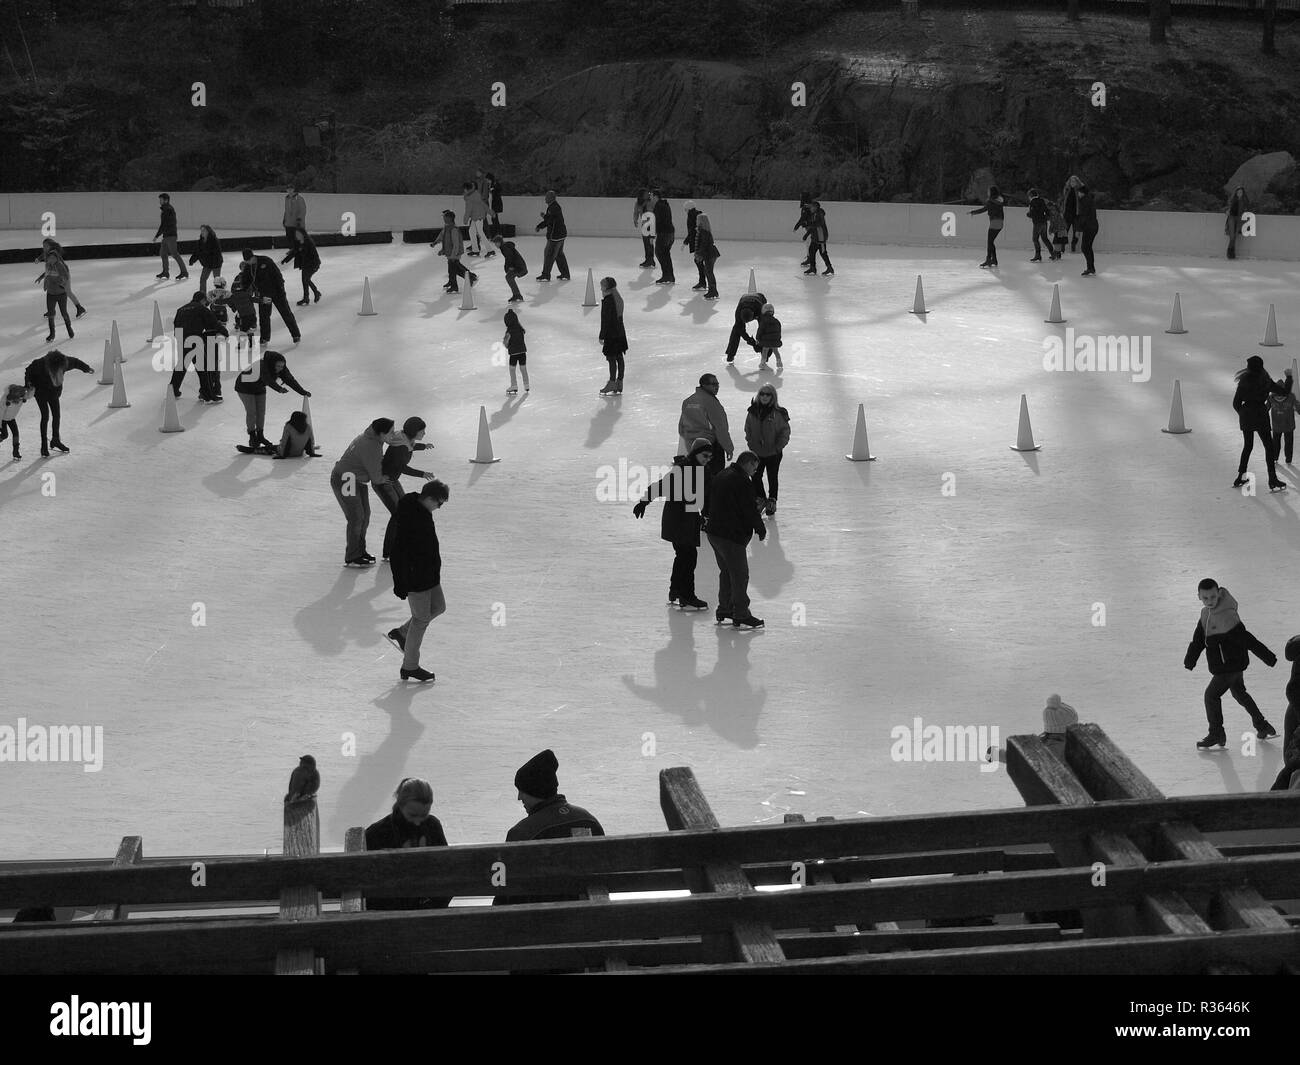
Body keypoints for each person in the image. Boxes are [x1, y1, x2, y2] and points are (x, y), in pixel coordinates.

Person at [494, 749, 604, 907]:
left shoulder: (522, 834)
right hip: (586, 921)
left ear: (534, 791)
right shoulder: (589, 821)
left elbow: (503, 892)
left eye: (522, 791)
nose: (519, 797)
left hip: (538, 924)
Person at [1184, 579, 1278, 748]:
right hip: (1228, 666)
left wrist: (1267, 656)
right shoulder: (1205, 614)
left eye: (1213, 596)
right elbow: (1198, 639)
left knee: (1211, 696)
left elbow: (1247, 639)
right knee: (1240, 694)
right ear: (1199, 597)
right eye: (1205, 598)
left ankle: (1216, 733)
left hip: (1229, 667)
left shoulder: (1227, 615)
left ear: (1219, 593)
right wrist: (1190, 659)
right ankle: (1262, 725)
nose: (1210, 601)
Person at [633, 437, 715, 610]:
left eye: (710, 457)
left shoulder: (702, 470)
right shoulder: (683, 470)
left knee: (683, 556)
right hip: (679, 519)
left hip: (687, 518)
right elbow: (662, 486)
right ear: (696, 453)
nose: (708, 459)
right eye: (705, 455)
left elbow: (706, 494)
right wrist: (644, 501)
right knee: (689, 557)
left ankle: (676, 590)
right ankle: (687, 596)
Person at [387, 479, 450, 683]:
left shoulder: (422, 510)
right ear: (429, 498)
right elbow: (397, 552)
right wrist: (400, 582)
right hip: (415, 578)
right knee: (421, 619)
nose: (439, 507)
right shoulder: (410, 517)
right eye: (439, 503)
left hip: (430, 575)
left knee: (439, 607)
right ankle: (410, 666)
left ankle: (403, 632)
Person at [363, 778, 452, 909]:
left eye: (424, 815)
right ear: (400, 805)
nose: (418, 822)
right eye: (412, 815)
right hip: (389, 911)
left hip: (427, 910)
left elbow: (447, 871)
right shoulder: (377, 833)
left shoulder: (433, 826)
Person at [704, 452, 767, 629]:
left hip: (714, 534)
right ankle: (741, 613)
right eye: (754, 467)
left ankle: (725, 608)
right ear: (746, 463)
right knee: (740, 575)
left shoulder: (722, 474)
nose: (755, 471)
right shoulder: (742, 481)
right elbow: (749, 509)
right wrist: (760, 528)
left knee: (726, 571)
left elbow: (707, 500)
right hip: (730, 536)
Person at [329, 417, 396, 567]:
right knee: (357, 517)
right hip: (346, 479)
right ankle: (352, 556)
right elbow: (376, 477)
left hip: (355, 479)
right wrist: (383, 478)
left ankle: (360, 551)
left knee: (365, 515)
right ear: (380, 434)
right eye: (391, 432)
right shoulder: (370, 446)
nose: (394, 434)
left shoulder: (373, 439)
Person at [376, 417, 433, 560]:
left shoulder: (405, 439)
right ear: (414, 432)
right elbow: (401, 467)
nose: (424, 433)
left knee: (404, 510)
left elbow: (412, 446)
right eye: (422, 431)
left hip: (392, 480)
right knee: (398, 514)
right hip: (384, 482)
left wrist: (424, 446)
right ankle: (389, 552)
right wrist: (422, 474)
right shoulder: (401, 446)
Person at [1233, 357, 1292, 491]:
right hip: (1260, 415)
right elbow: (1284, 392)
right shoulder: (1265, 380)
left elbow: (1235, 403)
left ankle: (1240, 477)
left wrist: (1243, 413)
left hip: (1247, 416)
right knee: (1269, 447)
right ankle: (1272, 479)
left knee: (1248, 446)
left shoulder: (1243, 381)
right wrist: (1288, 377)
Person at [235, 349, 310, 453]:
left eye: (282, 366)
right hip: (244, 386)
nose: (280, 369)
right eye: (278, 366)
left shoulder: (281, 368)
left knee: (261, 412)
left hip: (259, 387)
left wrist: (302, 392)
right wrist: (279, 389)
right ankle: (252, 436)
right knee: (252, 412)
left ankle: (260, 435)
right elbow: (267, 380)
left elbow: (290, 380)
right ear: (272, 364)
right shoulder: (261, 365)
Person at [24, 349, 93, 457]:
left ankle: (55, 440)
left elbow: (75, 362)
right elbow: (28, 371)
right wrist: (28, 384)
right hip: (41, 393)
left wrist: (86, 368)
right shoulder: (39, 364)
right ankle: (44, 446)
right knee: (45, 417)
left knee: (56, 415)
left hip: (53, 393)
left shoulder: (63, 362)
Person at [172, 289, 228, 402]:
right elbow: (213, 322)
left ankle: (172, 390)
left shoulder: (181, 309)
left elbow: (176, 325)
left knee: (181, 366)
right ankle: (208, 396)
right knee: (204, 368)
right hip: (194, 340)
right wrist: (225, 332)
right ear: (202, 300)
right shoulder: (201, 308)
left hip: (182, 339)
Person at [744, 382, 791, 516]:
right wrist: (751, 444)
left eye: (768, 394)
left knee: (772, 476)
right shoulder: (752, 411)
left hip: (773, 453)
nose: (764, 397)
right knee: (755, 476)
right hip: (756, 452)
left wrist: (778, 447)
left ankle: (772, 501)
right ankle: (761, 498)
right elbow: (748, 428)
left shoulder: (779, 413)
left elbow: (785, 431)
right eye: (762, 394)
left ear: (773, 397)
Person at [240, 248, 301, 345]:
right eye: (246, 261)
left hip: (277, 292)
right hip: (264, 295)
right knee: (264, 316)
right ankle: (264, 338)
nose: (248, 262)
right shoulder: (248, 267)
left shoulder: (266, 261)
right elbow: (245, 281)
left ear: (253, 257)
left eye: (249, 260)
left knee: (286, 313)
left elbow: (277, 275)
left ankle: (296, 334)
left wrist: (281, 288)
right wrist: (242, 291)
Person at [680, 373, 733, 479]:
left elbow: (682, 427)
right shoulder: (711, 402)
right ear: (703, 385)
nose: (716, 386)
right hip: (710, 446)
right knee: (714, 478)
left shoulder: (687, 401)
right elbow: (720, 428)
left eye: (717, 384)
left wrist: (689, 443)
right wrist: (728, 448)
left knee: (696, 478)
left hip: (692, 447)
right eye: (713, 384)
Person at [34, 239, 85, 318]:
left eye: (45, 246)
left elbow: (52, 269)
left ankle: (80, 308)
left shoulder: (54, 254)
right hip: (55, 276)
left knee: (68, 292)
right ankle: (51, 311)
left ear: (50, 246)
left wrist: (42, 277)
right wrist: (38, 259)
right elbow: (44, 256)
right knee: (51, 290)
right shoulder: (48, 253)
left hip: (64, 275)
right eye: (43, 246)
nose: (44, 248)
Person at [432, 209, 477, 294]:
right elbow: (442, 235)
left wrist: (453, 255)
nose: (443, 219)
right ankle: (453, 282)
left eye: (445, 217)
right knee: (452, 268)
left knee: (455, 268)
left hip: (454, 252)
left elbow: (456, 244)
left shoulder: (453, 229)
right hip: (450, 252)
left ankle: (467, 279)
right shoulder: (447, 227)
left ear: (449, 218)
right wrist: (435, 242)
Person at [35, 253, 74, 343]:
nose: (51, 260)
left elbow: (66, 276)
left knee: (64, 312)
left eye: (53, 258)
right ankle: (52, 334)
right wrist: (41, 278)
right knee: (51, 314)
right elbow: (47, 273)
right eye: (50, 258)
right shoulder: (48, 265)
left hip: (61, 294)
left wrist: (60, 282)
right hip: (50, 294)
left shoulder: (60, 266)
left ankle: (69, 328)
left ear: (57, 258)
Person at [598, 277, 627, 395]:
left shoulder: (608, 301)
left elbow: (605, 320)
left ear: (607, 288)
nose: (600, 288)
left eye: (602, 286)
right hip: (620, 332)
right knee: (619, 357)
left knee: (611, 359)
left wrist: (602, 335)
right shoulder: (617, 298)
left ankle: (611, 382)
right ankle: (619, 382)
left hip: (611, 334)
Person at [280, 228, 321, 306]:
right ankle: (306, 298)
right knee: (304, 281)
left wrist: (299, 250)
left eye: (299, 234)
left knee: (306, 279)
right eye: (296, 234)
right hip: (306, 265)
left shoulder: (308, 243)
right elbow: (295, 252)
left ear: (303, 234)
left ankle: (316, 292)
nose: (297, 236)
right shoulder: (299, 243)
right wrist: (285, 260)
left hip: (313, 264)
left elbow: (304, 253)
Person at [534, 190, 570, 281]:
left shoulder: (553, 207)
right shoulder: (553, 207)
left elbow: (550, 220)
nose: (545, 198)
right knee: (559, 255)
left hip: (555, 236)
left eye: (547, 196)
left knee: (549, 255)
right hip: (561, 235)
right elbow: (550, 220)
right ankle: (565, 274)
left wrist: (544, 217)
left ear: (551, 198)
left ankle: (546, 275)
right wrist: (540, 225)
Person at [724, 290, 767, 363]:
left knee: (765, 329)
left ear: (753, 315)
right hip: (744, 299)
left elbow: (762, 328)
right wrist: (751, 341)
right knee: (736, 329)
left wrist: (758, 343)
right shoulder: (738, 312)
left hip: (760, 298)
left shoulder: (760, 309)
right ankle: (730, 354)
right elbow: (740, 330)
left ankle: (765, 354)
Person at [153, 193, 188, 281]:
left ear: (166, 200)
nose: (159, 201)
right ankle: (165, 272)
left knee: (174, 254)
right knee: (163, 253)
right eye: (159, 199)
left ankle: (184, 272)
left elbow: (164, 224)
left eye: (161, 199)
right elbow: (164, 224)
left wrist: (157, 235)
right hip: (167, 235)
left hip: (170, 235)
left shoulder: (168, 209)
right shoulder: (166, 209)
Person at [969, 185, 1005, 268]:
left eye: (988, 191)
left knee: (990, 242)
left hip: (994, 223)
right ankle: (994, 260)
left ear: (991, 193)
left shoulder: (990, 202)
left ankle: (989, 260)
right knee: (991, 242)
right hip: (1000, 223)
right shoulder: (1000, 200)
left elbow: (984, 209)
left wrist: (973, 212)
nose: (987, 193)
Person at [489, 232, 527, 303]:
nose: (495, 245)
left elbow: (510, 257)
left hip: (519, 267)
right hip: (519, 266)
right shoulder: (505, 246)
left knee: (509, 277)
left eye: (496, 243)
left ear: (499, 242)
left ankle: (517, 295)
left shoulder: (504, 247)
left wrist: (511, 267)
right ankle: (516, 295)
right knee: (509, 277)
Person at [1268, 380, 1300, 465]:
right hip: (1289, 425)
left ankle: (1275, 458)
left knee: (1275, 443)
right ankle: (1288, 459)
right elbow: (1298, 408)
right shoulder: (1291, 396)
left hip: (1276, 425)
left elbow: (1265, 409)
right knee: (1289, 443)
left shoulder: (1271, 397)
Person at [189, 224, 224, 295]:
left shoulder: (214, 241)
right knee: (203, 279)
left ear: (208, 232)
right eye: (201, 230)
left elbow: (217, 254)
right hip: (207, 264)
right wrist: (192, 260)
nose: (202, 232)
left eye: (204, 230)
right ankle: (202, 295)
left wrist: (212, 263)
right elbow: (197, 252)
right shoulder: (200, 242)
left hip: (216, 264)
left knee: (217, 280)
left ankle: (219, 294)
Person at [650, 188, 675, 284]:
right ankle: (670, 276)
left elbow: (657, 222)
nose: (650, 198)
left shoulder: (658, 206)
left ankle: (666, 276)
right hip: (670, 232)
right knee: (665, 254)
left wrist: (652, 236)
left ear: (656, 197)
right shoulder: (665, 205)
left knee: (660, 253)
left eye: (651, 196)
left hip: (664, 233)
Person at [0, 383, 30, 461]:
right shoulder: (5, 401)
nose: (20, 399)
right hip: (2, 419)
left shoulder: (22, 397)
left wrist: (31, 386)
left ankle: (16, 452)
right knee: (5, 435)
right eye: (19, 398)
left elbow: (30, 394)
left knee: (16, 434)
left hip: (11, 418)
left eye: (21, 397)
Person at [693, 212, 720, 300]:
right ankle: (712, 291)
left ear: (701, 221)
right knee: (708, 271)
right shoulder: (703, 230)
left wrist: (699, 254)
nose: (696, 221)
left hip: (710, 254)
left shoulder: (703, 231)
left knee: (709, 272)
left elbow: (704, 244)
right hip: (710, 253)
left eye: (697, 219)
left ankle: (713, 291)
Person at [503, 308, 529, 394]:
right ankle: (526, 385)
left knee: (512, 369)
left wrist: (507, 346)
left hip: (513, 353)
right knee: (523, 368)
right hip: (522, 352)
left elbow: (505, 342)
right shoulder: (521, 329)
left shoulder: (509, 331)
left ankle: (514, 385)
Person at [1076, 183, 1099, 276]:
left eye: (1078, 192)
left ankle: (1091, 268)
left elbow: (1083, 216)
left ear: (1082, 193)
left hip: (1089, 227)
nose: (1078, 194)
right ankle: (1091, 268)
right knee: (1087, 247)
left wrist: (1078, 230)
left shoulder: (1084, 201)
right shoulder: (1089, 200)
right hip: (1093, 226)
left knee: (1085, 247)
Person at [804, 200, 833, 276]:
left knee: (822, 253)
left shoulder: (819, 214)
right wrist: (807, 234)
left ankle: (828, 267)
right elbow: (813, 225)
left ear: (815, 207)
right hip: (816, 237)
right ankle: (813, 268)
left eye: (811, 207)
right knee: (812, 251)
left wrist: (810, 226)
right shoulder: (814, 214)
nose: (810, 208)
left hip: (821, 237)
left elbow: (819, 223)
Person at [462, 180, 488, 257]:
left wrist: (466, 219)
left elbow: (469, 209)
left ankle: (490, 250)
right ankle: (475, 250)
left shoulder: (473, 195)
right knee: (472, 231)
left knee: (480, 232)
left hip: (478, 216)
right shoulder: (472, 195)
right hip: (475, 217)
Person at [754, 302, 783, 371]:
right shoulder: (777, 321)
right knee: (776, 351)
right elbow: (779, 331)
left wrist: (757, 338)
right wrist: (778, 339)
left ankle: (763, 363)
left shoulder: (763, 321)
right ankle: (779, 363)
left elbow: (760, 330)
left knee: (765, 351)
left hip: (766, 340)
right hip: (775, 340)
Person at [683, 199, 704, 289]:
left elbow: (692, 231)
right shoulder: (699, 214)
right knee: (699, 261)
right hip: (700, 241)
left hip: (697, 242)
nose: (685, 211)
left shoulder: (691, 216)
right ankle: (702, 281)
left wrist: (686, 241)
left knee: (698, 261)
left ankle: (702, 282)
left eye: (685, 209)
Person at [1026, 188, 1052, 263]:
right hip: (1044, 222)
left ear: (1030, 196)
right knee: (1044, 238)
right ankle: (1052, 253)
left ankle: (1038, 255)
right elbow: (1047, 211)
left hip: (1037, 223)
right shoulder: (1042, 200)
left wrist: (1028, 214)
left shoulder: (1032, 202)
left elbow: (1033, 213)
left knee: (1035, 239)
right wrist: (1046, 217)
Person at [1225, 186, 1249, 260]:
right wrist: (1227, 211)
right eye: (1238, 192)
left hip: (1239, 219)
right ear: (1236, 193)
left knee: (1235, 236)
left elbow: (1246, 210)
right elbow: (1227, 208)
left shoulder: (1245, 201)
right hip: (1231, 218)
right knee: (1232, 236)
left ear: (1243, 193)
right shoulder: (1232, 200)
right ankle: (1229, 252)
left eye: (1241, 192)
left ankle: (1232, 253)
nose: (1239, 193)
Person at [1060, 175, 1083, 253]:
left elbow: (1083, 201)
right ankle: (1062, 246)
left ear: (1077, 182)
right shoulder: (1066, 190)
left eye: (1074, 181)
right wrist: (1062, 211)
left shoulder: (1080, 190)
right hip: (1067, 213)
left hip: (1077, 214)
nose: (1072, 183)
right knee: (1064, 230)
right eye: (1071, 181)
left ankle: (1073, 245)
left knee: (1076, 231)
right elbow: (1063, 201)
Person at [792, 191, 814, 268]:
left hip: (809, 228)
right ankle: (810, 258)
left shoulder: (806, 208)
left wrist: (796, 226)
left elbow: (802, 218)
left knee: (809, 244)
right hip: (811, 228)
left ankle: (810, 259)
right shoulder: (811, 206)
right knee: (809, 244)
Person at [635, 189, 655, 268]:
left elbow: (654, 212)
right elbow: (636, 212)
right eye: (646, 193)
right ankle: (648, 259)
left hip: (651, 225)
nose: (648, 194)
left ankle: (651, 260)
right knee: (646, 243)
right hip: (644, 225)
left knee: (649, 243)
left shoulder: (651, 202)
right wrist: (635, 220)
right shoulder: (638, 203)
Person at [486, 170, 504, 239]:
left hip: (496, 204)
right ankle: (497, 234)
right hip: (493, 204)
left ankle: (498, 234)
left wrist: (493, 190)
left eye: (487, 179)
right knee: (494, 219)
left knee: (495, 219)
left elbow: (499, 190)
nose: (487, 181)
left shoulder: (495, 184)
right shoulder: (490, 185)